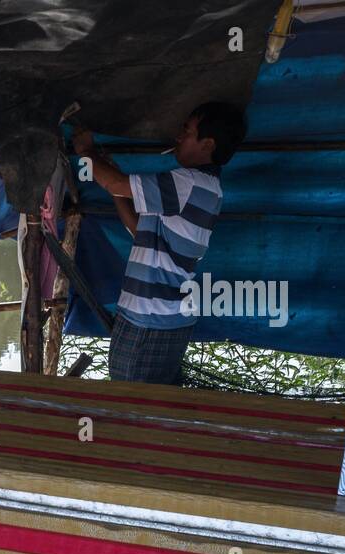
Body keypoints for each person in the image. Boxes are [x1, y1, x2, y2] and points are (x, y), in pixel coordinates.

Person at [73, 102, 246, 384]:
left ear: (208, 144)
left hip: (151, 322)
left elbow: (117, 184)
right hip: (158, 320)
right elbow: (138, 228)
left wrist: (86, 152)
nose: (178, 137)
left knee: (133, 405)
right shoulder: (204, 188)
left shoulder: (188, 183)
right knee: (149, 403)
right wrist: (112, 178)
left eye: (186, 131)